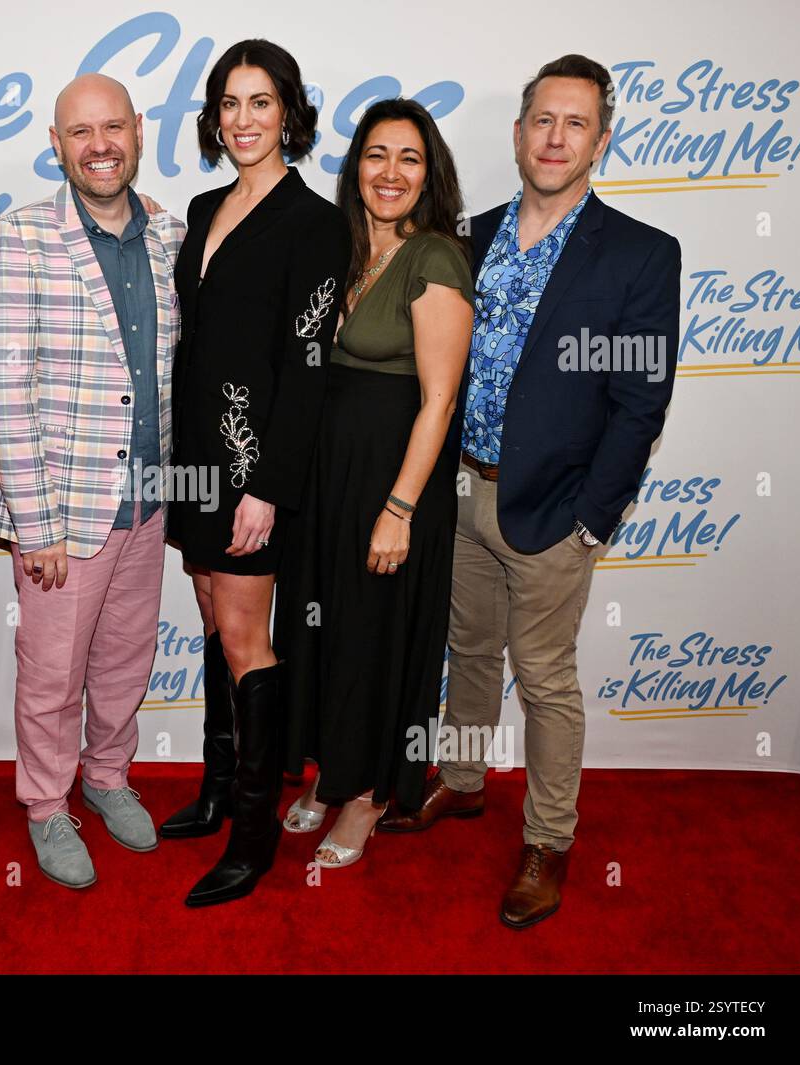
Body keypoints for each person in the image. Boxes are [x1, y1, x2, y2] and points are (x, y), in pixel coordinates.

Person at [377, 55, 680, 929]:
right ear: (517, 135)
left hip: (553, 513)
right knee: (467, 653)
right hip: (460, 496)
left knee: (544, 678)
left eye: (575, 123)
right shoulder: (467, 237)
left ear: (602, 141)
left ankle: (549, 840)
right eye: (541, 120)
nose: (554, 138)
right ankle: (465, 782)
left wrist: (594, 516)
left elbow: (641, 400)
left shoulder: (638, 254)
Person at [0, 73, 185, 891]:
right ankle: (44, 805)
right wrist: (36, 523)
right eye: (80, 132)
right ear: (56, 145)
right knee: (53, 672)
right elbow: (3, 386)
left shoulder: (169, 234)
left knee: (127, 660)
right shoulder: (21, 236)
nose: (100, 145)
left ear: (137, 130)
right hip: (61, 511)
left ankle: (105, 777)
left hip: (147, 500)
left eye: (113, 127)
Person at [162, 39, 351, 907]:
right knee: (209, 617)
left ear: (289, 114)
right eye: (229, 103)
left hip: (252, 469)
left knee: (246, 638)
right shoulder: (202, 208)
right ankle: (214, 785)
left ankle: (252, 830)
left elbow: (306, 366)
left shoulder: (313, 222)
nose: (243, 120)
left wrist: (266, 486)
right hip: (195, 460)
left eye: (260, 102)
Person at [276, 98, 473, 868]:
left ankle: (365, 795)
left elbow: (439, 399)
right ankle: (331, 776)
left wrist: (399, 508)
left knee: (372, 638)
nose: (390, 173)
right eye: (376, 155)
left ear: (430, 175)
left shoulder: (435, 258)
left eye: (409, 158)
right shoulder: (347, 250)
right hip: (330, 479)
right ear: (355, 165)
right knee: (326, 633)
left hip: (392, 480)